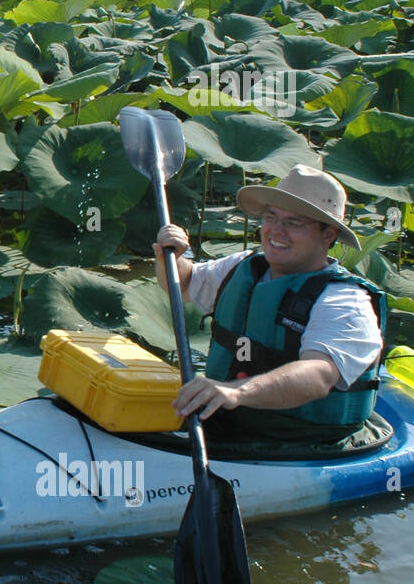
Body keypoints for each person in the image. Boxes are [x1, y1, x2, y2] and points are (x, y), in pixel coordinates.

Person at [152, 164, 388, 449]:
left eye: (294, 223)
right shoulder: (245, 266)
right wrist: (172, 257)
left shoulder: (345, 302)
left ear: (329, 235)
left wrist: (236, 392)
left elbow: (318, 374)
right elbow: (185, 284)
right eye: (271, 217)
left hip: (303, 439)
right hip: (228, 418)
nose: (277, 230)